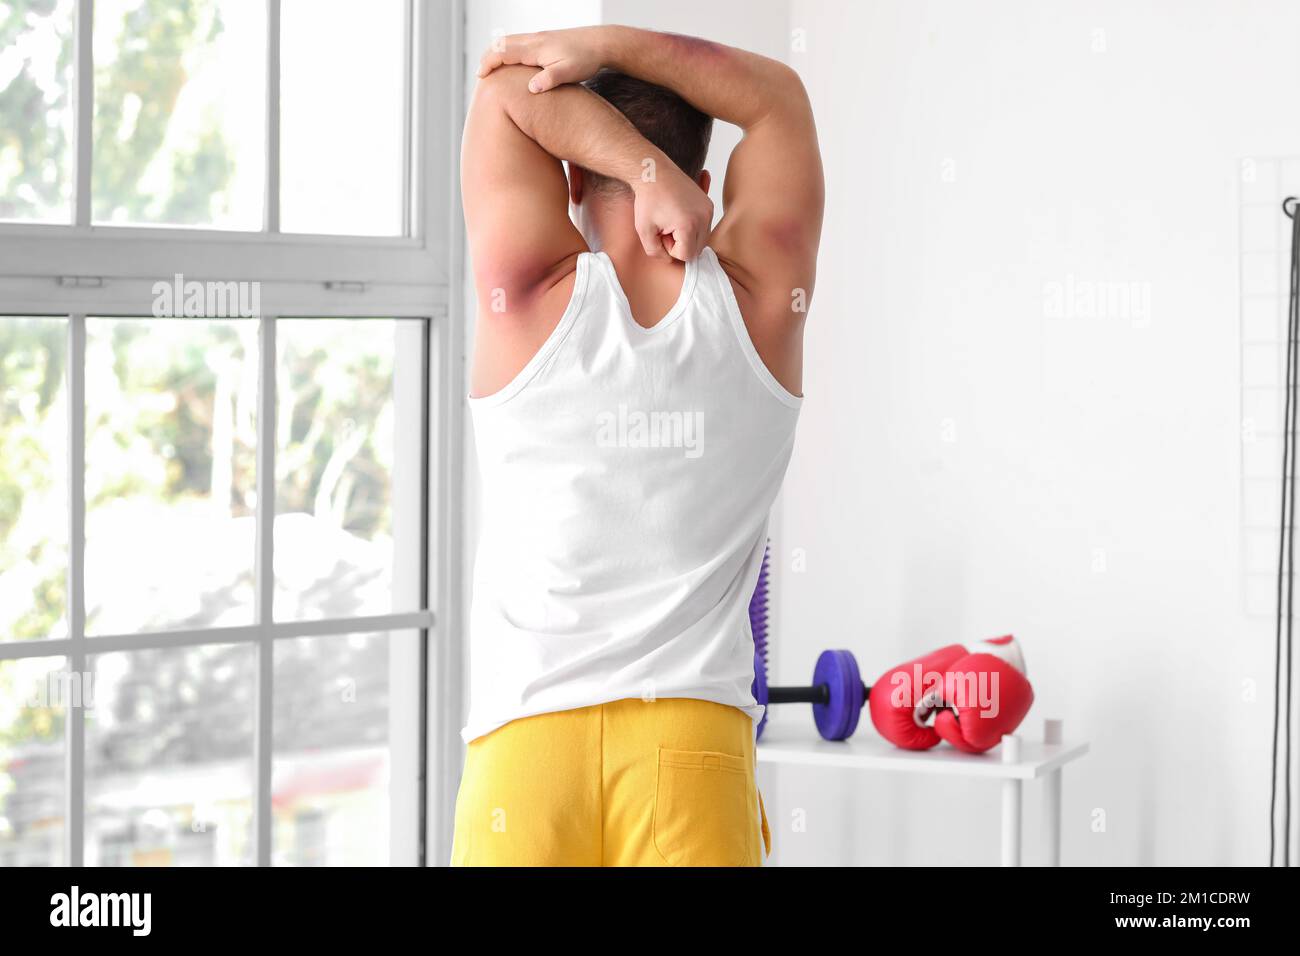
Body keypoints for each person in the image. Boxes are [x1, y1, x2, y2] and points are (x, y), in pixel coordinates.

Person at [454, 25, 824, 866]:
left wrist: (635, 167)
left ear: (574, 173)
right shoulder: (761, 298)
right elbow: (777, 102)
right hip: (689, 753)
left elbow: (501, 93)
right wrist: (609, 49)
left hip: (525, 755)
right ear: (707, 178)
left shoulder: (525, 293)